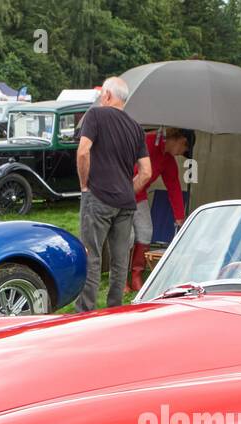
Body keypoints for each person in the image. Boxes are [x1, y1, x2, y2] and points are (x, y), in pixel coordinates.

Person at [75, 76, 149, 311]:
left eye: (101, 95)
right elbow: (146, 172)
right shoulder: (136, 127)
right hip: (125, 204)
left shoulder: (95, 115)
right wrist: (129, 188)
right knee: (120, 261)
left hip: (98, 197)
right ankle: (115, 311)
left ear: (107, 95)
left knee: (91, 256)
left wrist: (84, 184)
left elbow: (83, 151)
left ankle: (85, 312)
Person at [128, 127, 191, 292]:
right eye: (184, 148)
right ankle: (120, 280)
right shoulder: (146, 142)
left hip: (139, 197)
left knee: (145, 232)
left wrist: (179, 217)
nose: (181, 153)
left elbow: (174, 187)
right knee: (127, 237)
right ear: (179, 140)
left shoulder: (168, 161)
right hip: (121, 194)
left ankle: (136, 275)